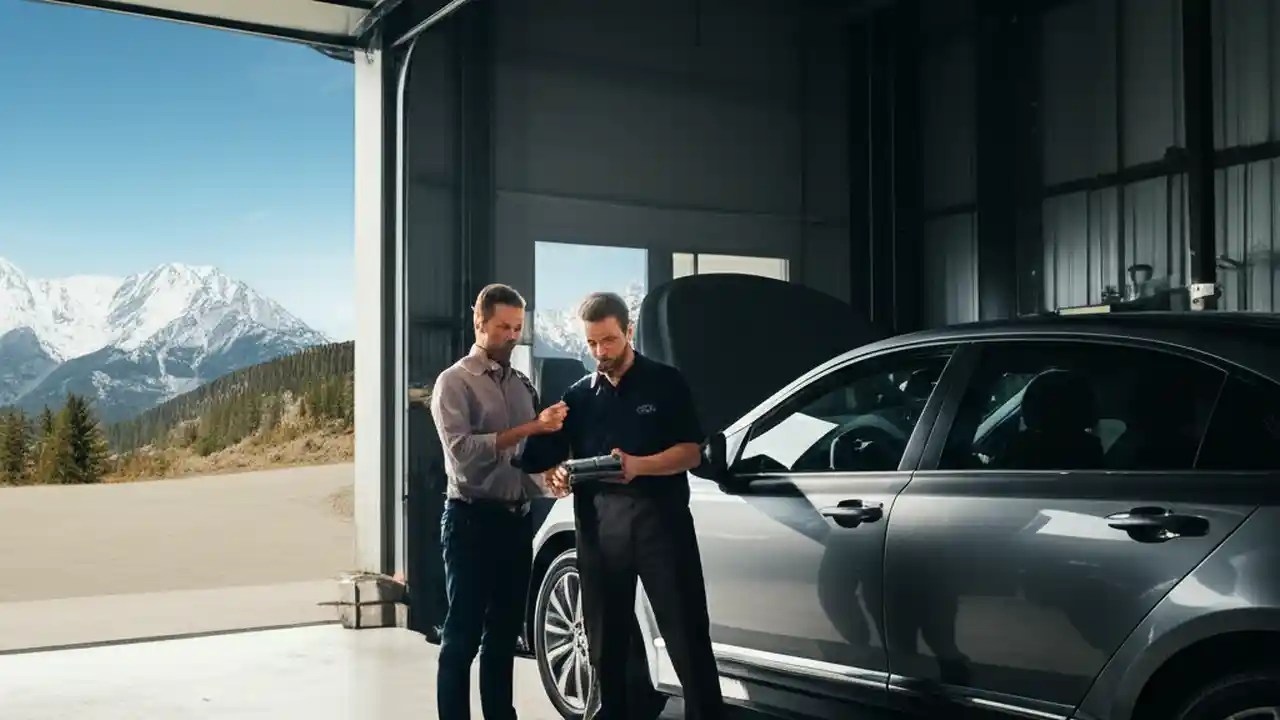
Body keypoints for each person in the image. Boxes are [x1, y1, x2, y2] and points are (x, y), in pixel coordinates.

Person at [519, 291, 725, 720]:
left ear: (628, 332)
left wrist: (639, 466)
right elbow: (552, 463)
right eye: (592, 343)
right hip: (599, 534)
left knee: (688, 641)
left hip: (662, 528)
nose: (600, 352)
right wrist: (555, 476)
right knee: (606, 648)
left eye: (608, 341)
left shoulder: (666, 382)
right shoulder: (577, 397)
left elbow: (691, 453)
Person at [430, 283, 569, 720]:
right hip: (470, 523)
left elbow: (522, 463)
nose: (512, 335)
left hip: (515, 524)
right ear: (479, 322)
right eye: (503, 327)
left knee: (505, 635)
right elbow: (463, 453)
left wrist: (551, 481)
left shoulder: (522, 386)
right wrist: (532, 428)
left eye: (517, 328)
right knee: (462, 636)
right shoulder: (453, 383)